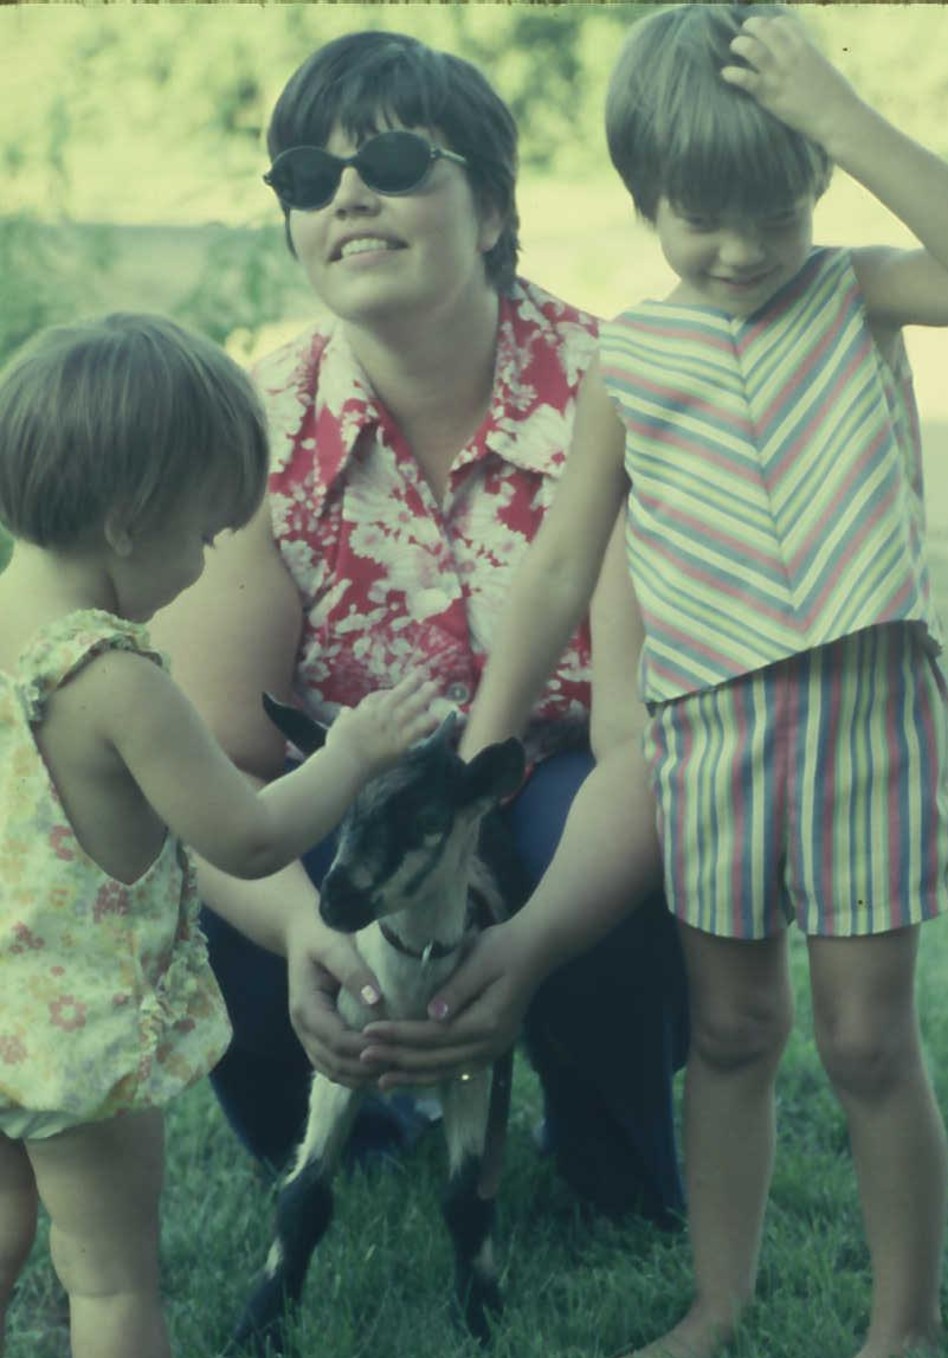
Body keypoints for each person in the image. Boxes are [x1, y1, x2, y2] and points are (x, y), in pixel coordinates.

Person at [452, 3, 948, 1358]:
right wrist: (481, 745)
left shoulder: (858, 295)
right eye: (702, 217)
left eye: (774, 210)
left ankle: (904, 1332)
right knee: (729, 1031)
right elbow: (557, 569)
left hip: (863, 717)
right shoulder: (630, 363)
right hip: (708, 736)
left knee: (865, 1039)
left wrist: (840, 115)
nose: (742, 248)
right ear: (645, 198)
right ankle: (716, 1304)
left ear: (817, 185)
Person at [152, 29, 688, 1229]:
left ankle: (605, 1145)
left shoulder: (624, 390)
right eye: (304, 176)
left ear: (492, 210)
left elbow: (641, 746)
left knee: (573, 822)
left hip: (567, 797)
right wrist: (301, 931)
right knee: (265, 843)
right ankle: (356, 1124)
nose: (344, 194)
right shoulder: (254, 424)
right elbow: (211, 773)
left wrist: (535, 944)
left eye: (392, 160)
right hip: (352, 798)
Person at [0, 313, 438, 1358]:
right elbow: (243, 832)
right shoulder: (114, 678)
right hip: (71, 1037)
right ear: (126, 520)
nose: (205, 566)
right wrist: (349, 754)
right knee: (111, 1276)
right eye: (200, 533)